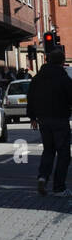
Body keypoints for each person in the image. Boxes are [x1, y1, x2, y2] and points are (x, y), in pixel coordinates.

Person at [27, 47, 72, 197]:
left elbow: (31, 98)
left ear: (47, 61)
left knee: (48, 151)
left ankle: (43, 177)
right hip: (60, 119)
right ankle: (59, 187)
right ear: (62, 62)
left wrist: (32, 117)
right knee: (64, 154)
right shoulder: (63, 78)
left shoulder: (37, 79)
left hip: (43, 121)